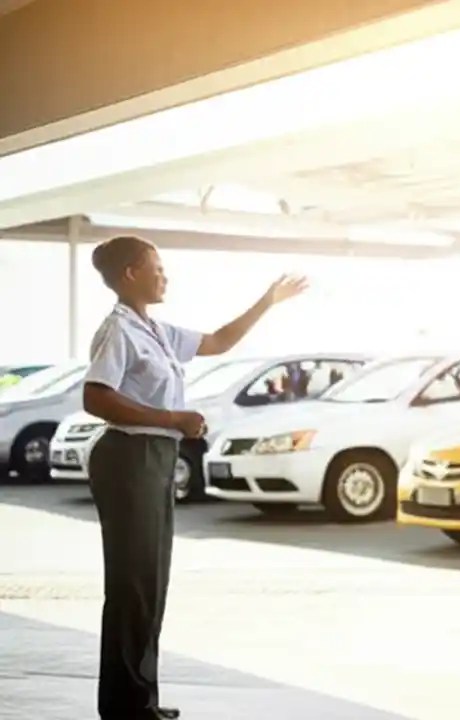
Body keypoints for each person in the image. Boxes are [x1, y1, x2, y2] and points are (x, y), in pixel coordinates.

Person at [82, 235, 307, 720]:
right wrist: (174, 419)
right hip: (129, 457)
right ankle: (125, 707)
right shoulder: (118, 330)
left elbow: (221, 340)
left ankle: (140, 701)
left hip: (154, 457)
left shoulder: (155, 330)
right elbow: (96, 397)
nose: (165, 276)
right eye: (156, 267)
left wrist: (267, 301)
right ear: (130, 275)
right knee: (133, 584)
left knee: (151, 582)